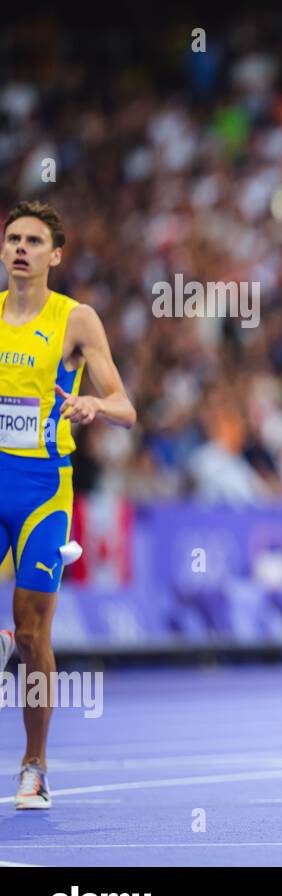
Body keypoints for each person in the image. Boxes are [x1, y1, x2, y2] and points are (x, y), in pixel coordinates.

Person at [0, 200, 137, 809]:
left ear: (55, 255)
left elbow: (126, 408)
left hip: (42, 492)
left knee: (32, 635)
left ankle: (34, 764)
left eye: (34, 240)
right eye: (12, 239)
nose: (21, 248)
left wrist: (93, 407)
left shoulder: (76, 320)